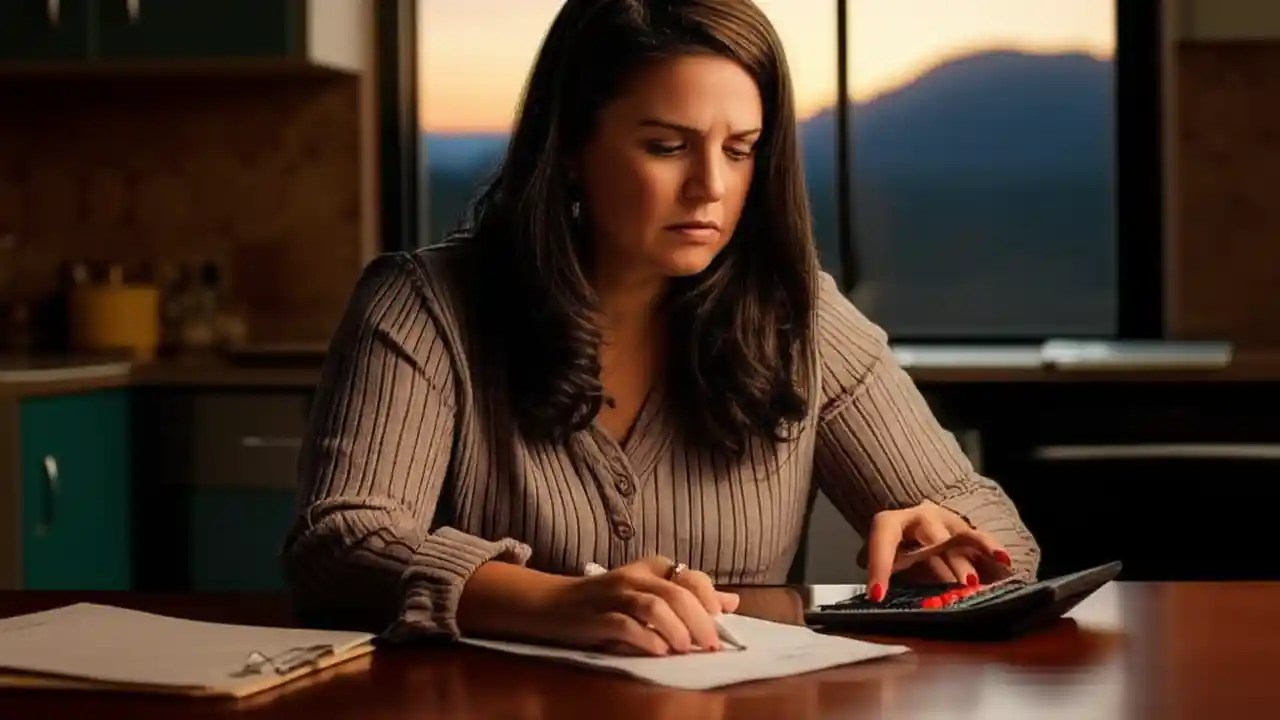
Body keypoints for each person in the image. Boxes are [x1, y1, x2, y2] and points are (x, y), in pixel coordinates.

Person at [281, 0, 1039, 657]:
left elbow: (1004, 538)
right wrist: (549, 603)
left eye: (740, 151)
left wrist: (951, 548)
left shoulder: (799, 319)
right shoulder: (423, 307)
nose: (712, 187)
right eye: (667, 147)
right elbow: (340, 547)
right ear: (572, 146)